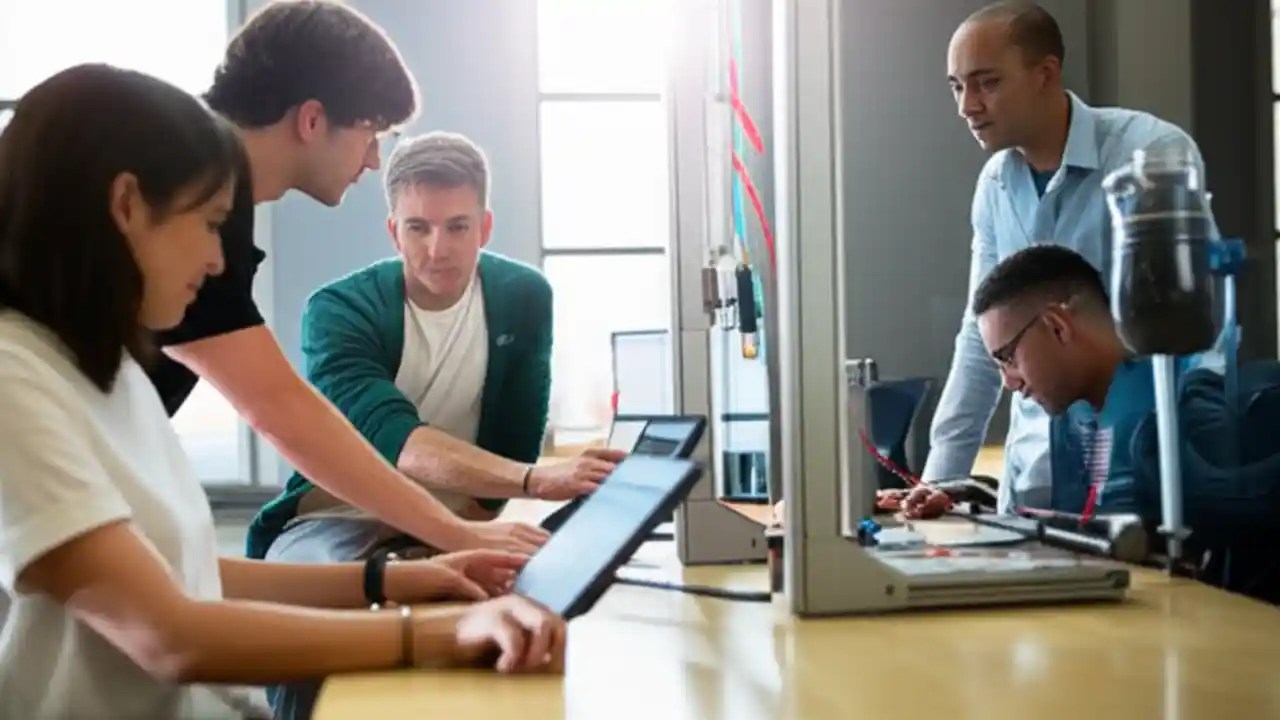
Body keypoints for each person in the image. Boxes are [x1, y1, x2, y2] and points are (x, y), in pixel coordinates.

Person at [0, 64, 565, 720]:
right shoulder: (13, 379)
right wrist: (440, 631)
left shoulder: (109, 370)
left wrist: (388, 580)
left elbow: (179, 572)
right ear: (128, 207)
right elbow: (168, 635)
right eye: (209, 223)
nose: (218, 261)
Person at [153, 0, 548, 554]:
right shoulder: (189, 184)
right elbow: (279, 408)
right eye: (371, 134)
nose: (372, 161)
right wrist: (455, 534)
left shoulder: (205, 176)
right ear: (312, 121)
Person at [247, 132, 623, 563]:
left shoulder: (524, 296)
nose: (437, 249)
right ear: (394, 231)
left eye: (458, 227)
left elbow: (514, 438)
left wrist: (463, 531)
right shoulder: (338, 310)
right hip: (337, 520)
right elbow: (393, 439)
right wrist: (535, 479)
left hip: (459, 522)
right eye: (418, 227)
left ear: (484, 228)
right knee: (350, 589)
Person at [921, 1, 1212, 513]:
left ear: (1045, 74)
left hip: (1143, 471)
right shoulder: (994, 186)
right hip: (1033, 478)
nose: (967, 105)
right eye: (956, 86)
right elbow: (979, 337)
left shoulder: (1149, 155)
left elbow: (1196, 327)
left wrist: (1189, 466)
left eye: (986, 82)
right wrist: (942, 477)